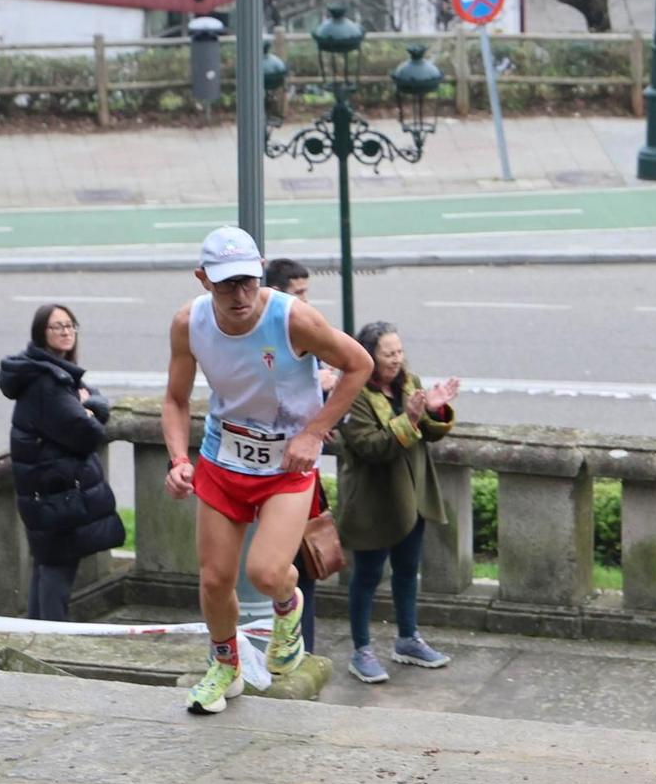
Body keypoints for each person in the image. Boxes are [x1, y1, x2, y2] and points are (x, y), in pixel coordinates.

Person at [163, 227, 373, 714]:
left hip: (287, 464)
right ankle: (225, 664)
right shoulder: (187, 323)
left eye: (247, 282)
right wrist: (178, 459)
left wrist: (314, 432)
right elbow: (175, 399)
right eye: (225, 285)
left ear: (260, 275)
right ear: (202, 280)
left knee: (264, 572)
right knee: (215, 579)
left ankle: (287, 604)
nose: (239, 295)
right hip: (223, 457)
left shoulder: (292, 317)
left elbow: (358, 365)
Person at [335, 321, 460, 685]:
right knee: (369, 574)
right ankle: (362, 649)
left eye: (399, 351)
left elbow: (429, 436)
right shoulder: (354, 391)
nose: (396, 359)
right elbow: (370, 446)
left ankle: (408, 638)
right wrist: (411, 418)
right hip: (374, 497)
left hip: (413, 491)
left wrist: (435, 411)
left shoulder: (410, 382)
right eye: (388, 353)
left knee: (408, 569)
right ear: (369, 356)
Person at [0, 304, 127, 620]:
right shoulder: (49, 383)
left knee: (46, 566)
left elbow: (82, 405)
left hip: (46, 492)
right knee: (57, 570)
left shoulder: (43, 375)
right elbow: (85, 433)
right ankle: (50, 641)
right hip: (58, 496)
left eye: (70, 325)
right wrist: (94, 407)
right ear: (41, 333)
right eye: (57, 326)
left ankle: (36, 634)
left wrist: (87, 403)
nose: (66, 331)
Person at [264, 255, 327, 656]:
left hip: (306, 467)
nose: (307, 300)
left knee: (308, 568)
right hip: (275, 472)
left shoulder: (308, 330)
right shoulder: (271, 335)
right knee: (278, 567)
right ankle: (286, 645)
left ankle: (302, 649)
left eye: (307, 291)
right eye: (299, 293)